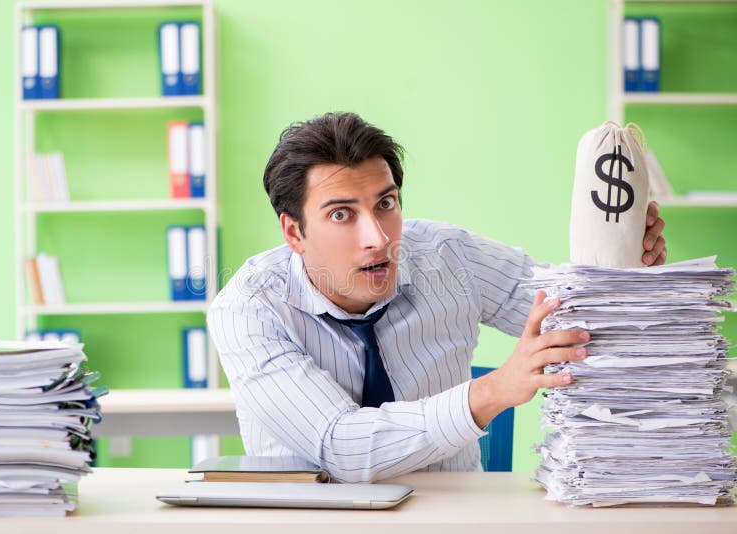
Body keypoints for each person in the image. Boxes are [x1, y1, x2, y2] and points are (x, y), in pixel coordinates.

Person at [209, 112, 667, 482]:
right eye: (342, 214)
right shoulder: (249, 307)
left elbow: (583, 325)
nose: (377, 237)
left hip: (455, 519)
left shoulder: (449, 258)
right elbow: (342, 446)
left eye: (385, 204)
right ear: (295, 232)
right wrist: (493, 391)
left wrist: (626, 272)